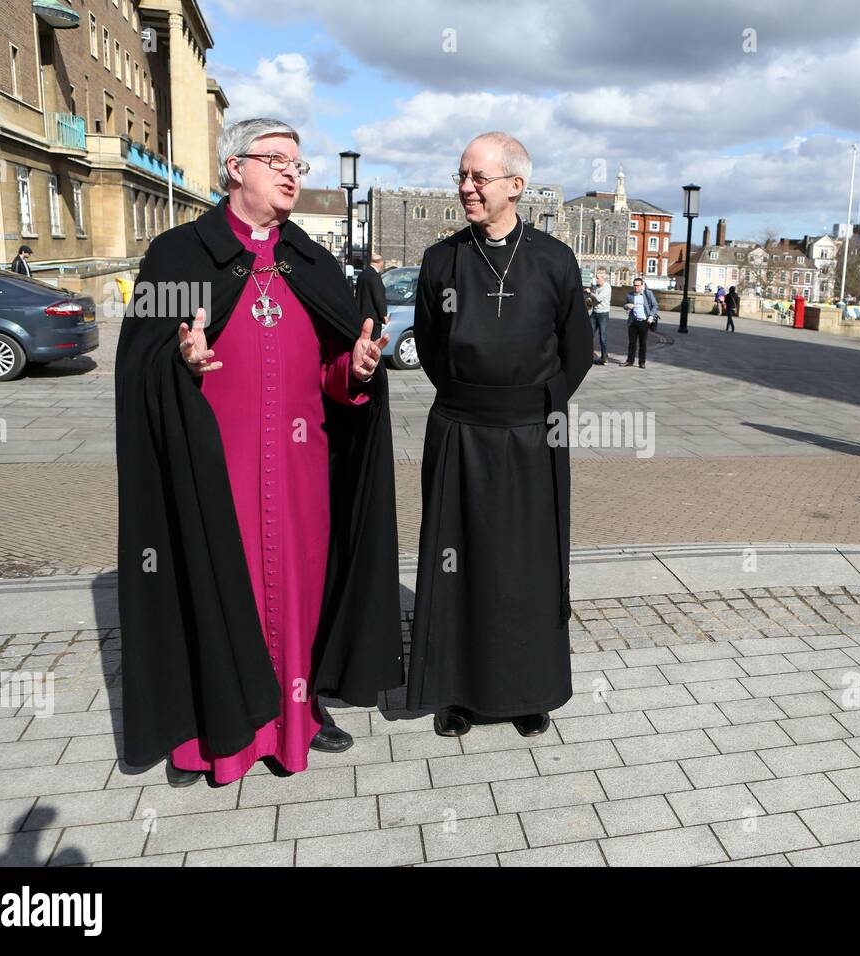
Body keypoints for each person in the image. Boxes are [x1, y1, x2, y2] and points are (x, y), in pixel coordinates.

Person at [114, 118, 404, 787]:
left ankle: (298, 719)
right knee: (213, 591)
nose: (290, 173)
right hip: (217, 474)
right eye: (275, 159)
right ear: (233, 168)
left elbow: (334, 374)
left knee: (300, 595)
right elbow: (142, 368)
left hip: (303, 477)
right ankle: (202, 737)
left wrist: (357, 371)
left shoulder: (310, 260)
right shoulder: (179, 255)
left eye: (298, 164)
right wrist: (180, 363)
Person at [409, 132, 592, 739]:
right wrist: (473, 399)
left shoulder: (555, 260)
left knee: (526, 566)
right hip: (461, 428)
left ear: (516, 185)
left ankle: (528, 690)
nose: (466, 187)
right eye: (461, 175)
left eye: (479, 177)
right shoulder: (442, 261)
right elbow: (432, 348)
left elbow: (576, 349)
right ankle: (457, 693)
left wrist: (535, 406)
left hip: (531, 433)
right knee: (458, 562)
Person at [623, 276, 659, 368]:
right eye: (635, 285)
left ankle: (642, 362)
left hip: (644, 321)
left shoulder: (648, 294)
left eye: (638, 286)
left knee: (643, 343)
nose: (636, 287)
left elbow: (655, 305)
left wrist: (651, 316)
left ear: (642, 286)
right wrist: (627, 306)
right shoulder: (630, 295)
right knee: (632, 343)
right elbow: (624, 305)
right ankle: (629, 361)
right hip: (633, 321)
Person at [355, 252, 390, 326]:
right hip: (373, 318)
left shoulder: (362, 274)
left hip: (361, 316)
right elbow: (378, 297)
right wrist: (384, 315)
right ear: (380, 262)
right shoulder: (375, 275)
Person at [589, 267, 611, 365]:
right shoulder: (596, 287)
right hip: (594, 313)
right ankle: (588, 356)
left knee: (603, 337)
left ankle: (604, 358)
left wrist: (591, 293)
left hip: (603, 314)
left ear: (603, 278)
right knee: (589, 335)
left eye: (597, 278)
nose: (596, 279)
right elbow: (592, 300)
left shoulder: (607, 287)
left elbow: (598, 299)